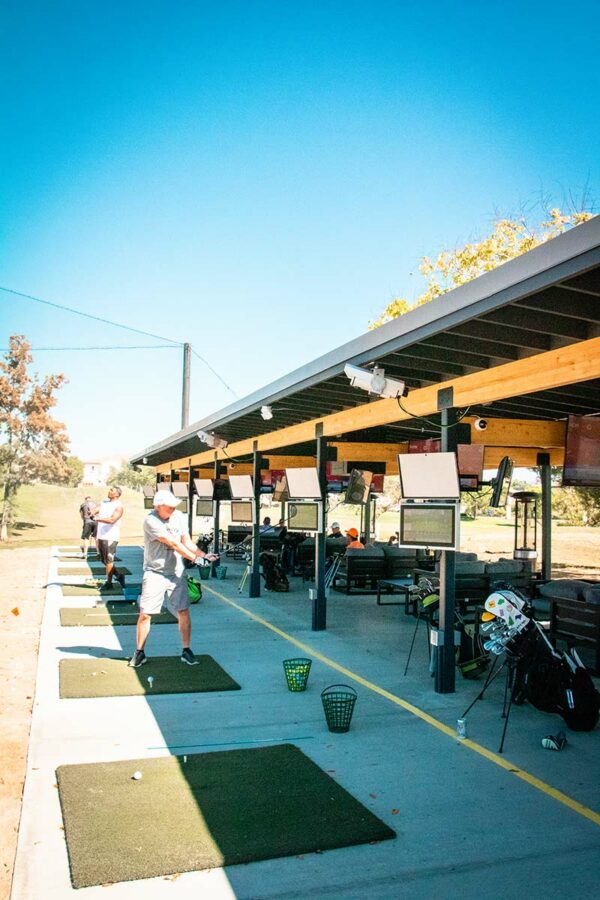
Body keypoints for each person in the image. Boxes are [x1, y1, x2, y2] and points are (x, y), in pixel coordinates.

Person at [129, 489, 218, 668]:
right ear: (158, 506)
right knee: (145, 614)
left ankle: (186, 650)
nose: (173, 509)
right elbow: (173, 543)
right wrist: (196, 559)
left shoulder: (179, 516)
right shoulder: (151, 520)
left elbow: (186, 541)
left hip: (176, 572)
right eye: (169, 507)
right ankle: (139, 652)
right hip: (154, 572)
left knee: (183, 611)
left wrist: (203, 555)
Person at [95, 486, 125, 590]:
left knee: (109, 560)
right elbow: (96, 509)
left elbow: (112, 520)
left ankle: (109, 583)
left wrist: (98, 519)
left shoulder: (119, 506)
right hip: (101, 535)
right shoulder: (104, 502)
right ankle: (119, 576)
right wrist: (91, 512)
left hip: (111, 536)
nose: (109, 491)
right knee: (104, 560)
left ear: (117, 494)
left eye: (112, 490)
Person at [79, 495, 98, 559]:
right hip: (96, 522)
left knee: (86, 539)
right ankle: (98, 553)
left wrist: (85, 519)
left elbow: (81, 515)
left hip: (87, 522)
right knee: (96, 538)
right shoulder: (95, 504)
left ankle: (85, 554)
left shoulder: (83, 504)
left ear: (85, 499)